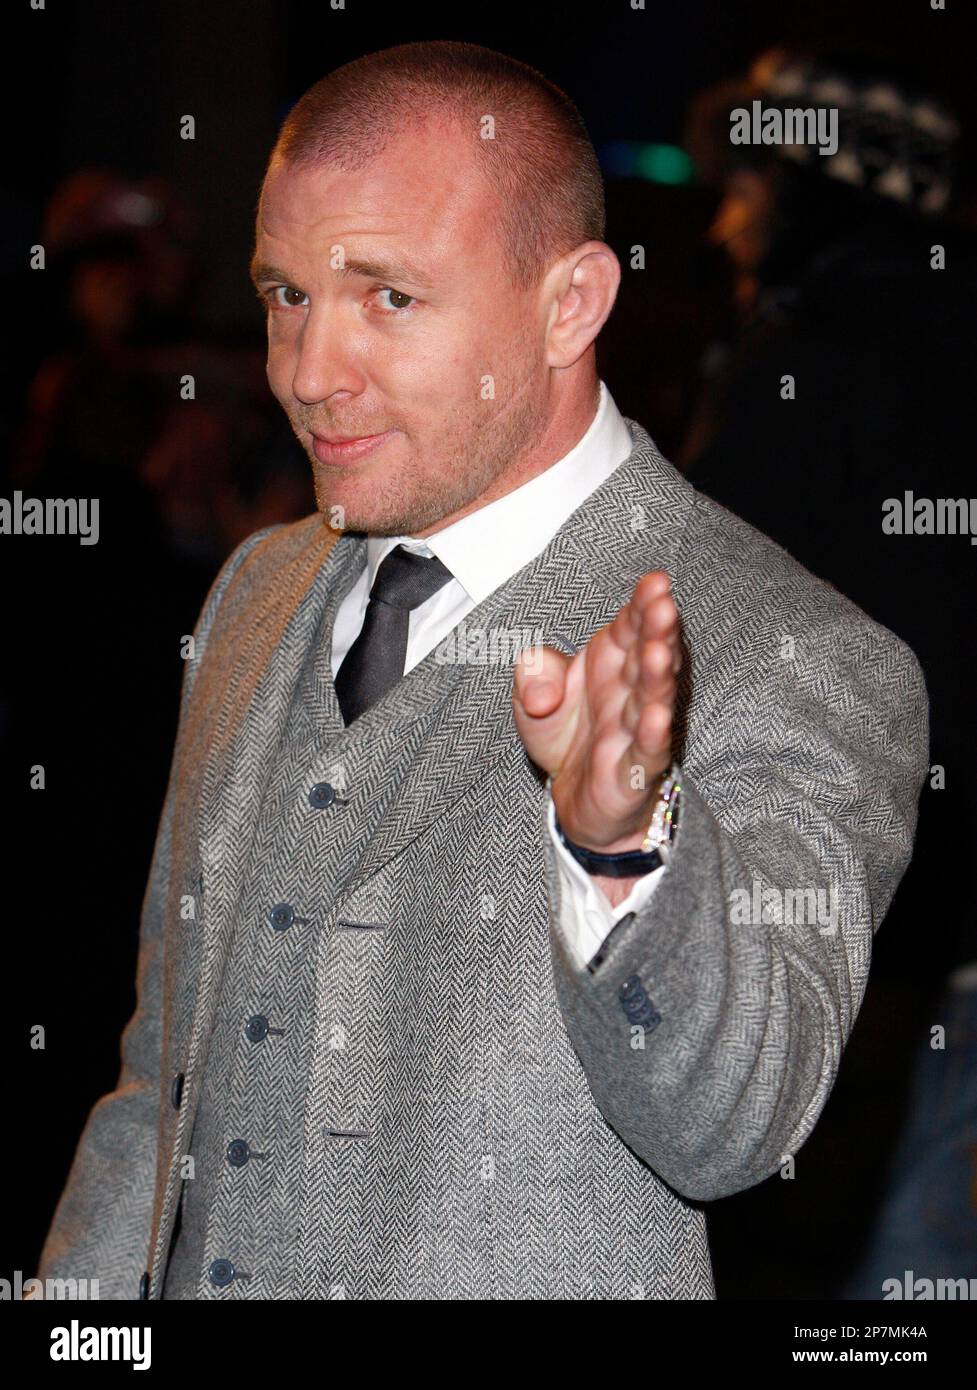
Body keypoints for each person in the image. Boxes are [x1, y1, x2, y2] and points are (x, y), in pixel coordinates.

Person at [36, 40, 927, 1301]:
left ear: (570, 305)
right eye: (286, 292)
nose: (307, 372)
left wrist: (624, 848)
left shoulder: (798, 654)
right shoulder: (255, 591)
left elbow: (739, 1125)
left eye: (388, 298)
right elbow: (157, 1084)